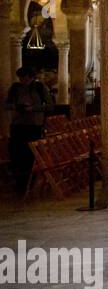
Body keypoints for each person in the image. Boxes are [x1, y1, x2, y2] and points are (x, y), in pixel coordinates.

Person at [5, 66, 50, 195]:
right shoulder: (15, 88)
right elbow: (6, 104)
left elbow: (49, 106)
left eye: (25, 78)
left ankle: (30, 182)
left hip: (33, 125)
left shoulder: (40, 88)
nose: (23, 80)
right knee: (17, 154)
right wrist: (16, 106)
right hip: (18, 124)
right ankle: (19, 182)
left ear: (31, 77)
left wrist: (33, 108)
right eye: (21, 78)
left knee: (31, 154)